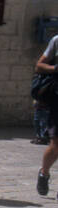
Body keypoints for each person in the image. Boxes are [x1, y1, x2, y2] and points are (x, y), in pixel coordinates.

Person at [33, 33, 58, 198]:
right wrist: (55, 69)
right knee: (56, 144)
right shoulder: (57, 41)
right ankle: (44, 173)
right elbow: (39, 66)